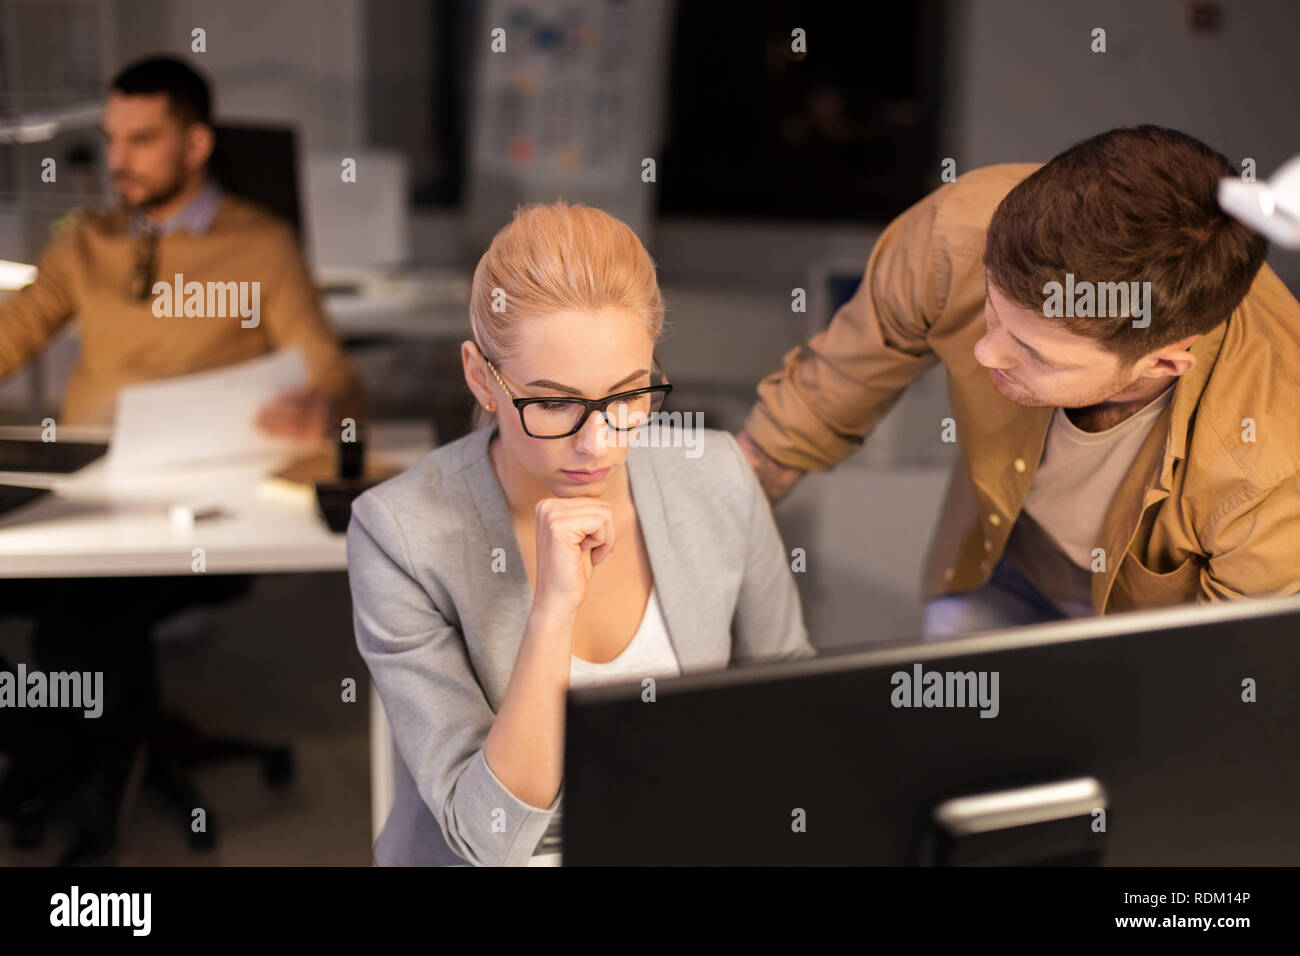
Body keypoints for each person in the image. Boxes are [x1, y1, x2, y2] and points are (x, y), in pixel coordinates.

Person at [347, 201, 813, 866]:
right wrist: (551, 614)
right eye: (555, 403)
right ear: (482, 378)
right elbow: (489, 838)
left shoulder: (717, 478)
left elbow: (787, 710)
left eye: (628, 396)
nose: (598, 442)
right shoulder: (401, 533)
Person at [0, 55, 363, 864]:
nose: (119, 158)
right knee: (59, 613)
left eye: (143, 138)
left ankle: (77, 787)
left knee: (79, 624)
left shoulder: (260, 244)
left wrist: (321, 405)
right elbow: (13, 334)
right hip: (88, 490)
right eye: (111, 139)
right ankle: (49, 750)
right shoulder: (87, 242)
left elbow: (329, 369)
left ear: (195, 145)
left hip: (198, 507)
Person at [735, 125, 1300, 639]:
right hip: (996, 559)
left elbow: (1222, 669)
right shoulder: (955, 233)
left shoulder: (1275, 466)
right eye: (991, 304)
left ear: (1163, 363)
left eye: (1034, 351)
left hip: (1146, 632)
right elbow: (808, 411)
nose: (985, 352)